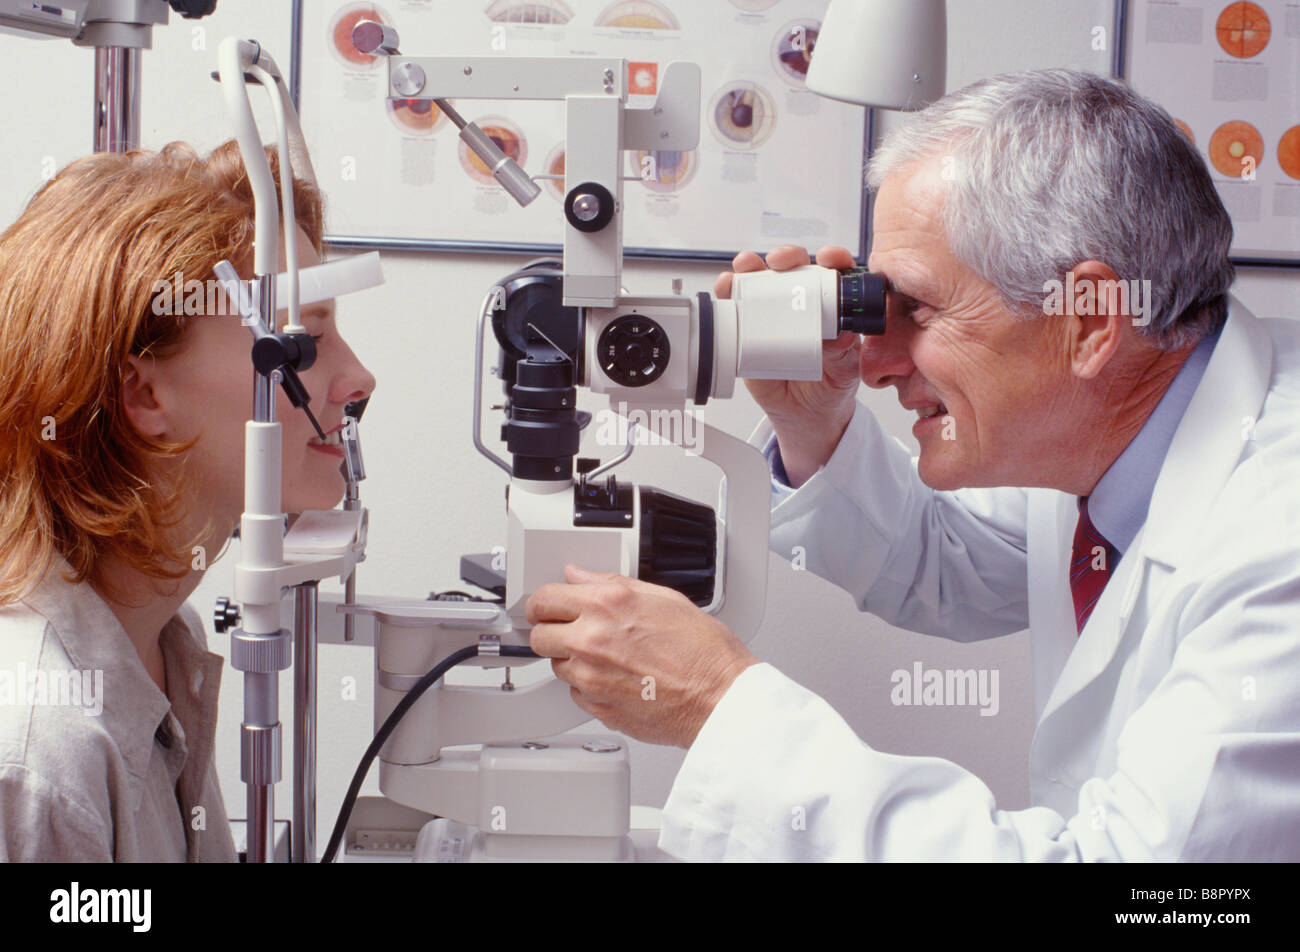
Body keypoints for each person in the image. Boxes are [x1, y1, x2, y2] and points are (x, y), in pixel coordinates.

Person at [524, 69, 1300, 860]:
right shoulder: (1112, 428)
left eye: (918, 309)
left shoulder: (1278, 541)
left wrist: (716, 707)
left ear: (1091, 319)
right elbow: (947, 562)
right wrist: (810, 415)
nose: (876, 362)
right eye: (873, 305)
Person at [0, 140, 376, 861]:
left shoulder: (164, 635)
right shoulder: (43, 753)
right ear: (144, 392)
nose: (359, 377)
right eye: (305, 342)